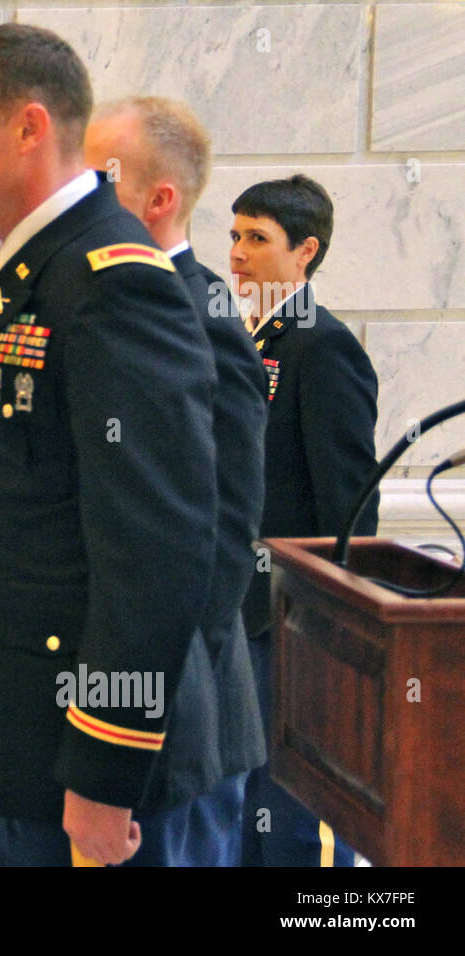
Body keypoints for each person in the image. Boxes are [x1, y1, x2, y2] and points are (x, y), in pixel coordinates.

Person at [0, 23, 234, 867]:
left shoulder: (114, 282)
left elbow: (158, 550)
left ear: (28, 128)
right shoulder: (35, 266)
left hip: (90, 751)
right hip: (28, 732)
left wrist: (106, 771)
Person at [82, 96, 268, 865]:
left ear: (160, 200)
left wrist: (158, 684)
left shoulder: (201, 318)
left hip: (174, 709)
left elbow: (223, 535)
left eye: (100, 180)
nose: (77, 198)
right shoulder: (116, 300)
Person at [230, 174, 379, 867]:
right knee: (244, 793)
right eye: (234, 235)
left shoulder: (321, 346)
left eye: (257, 238)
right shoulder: (249, 336)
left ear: (306, 251)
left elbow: (348, 505)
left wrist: (326, 621)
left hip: (289, 613)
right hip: (240, 602)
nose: (238, 253)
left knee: (286, 798)